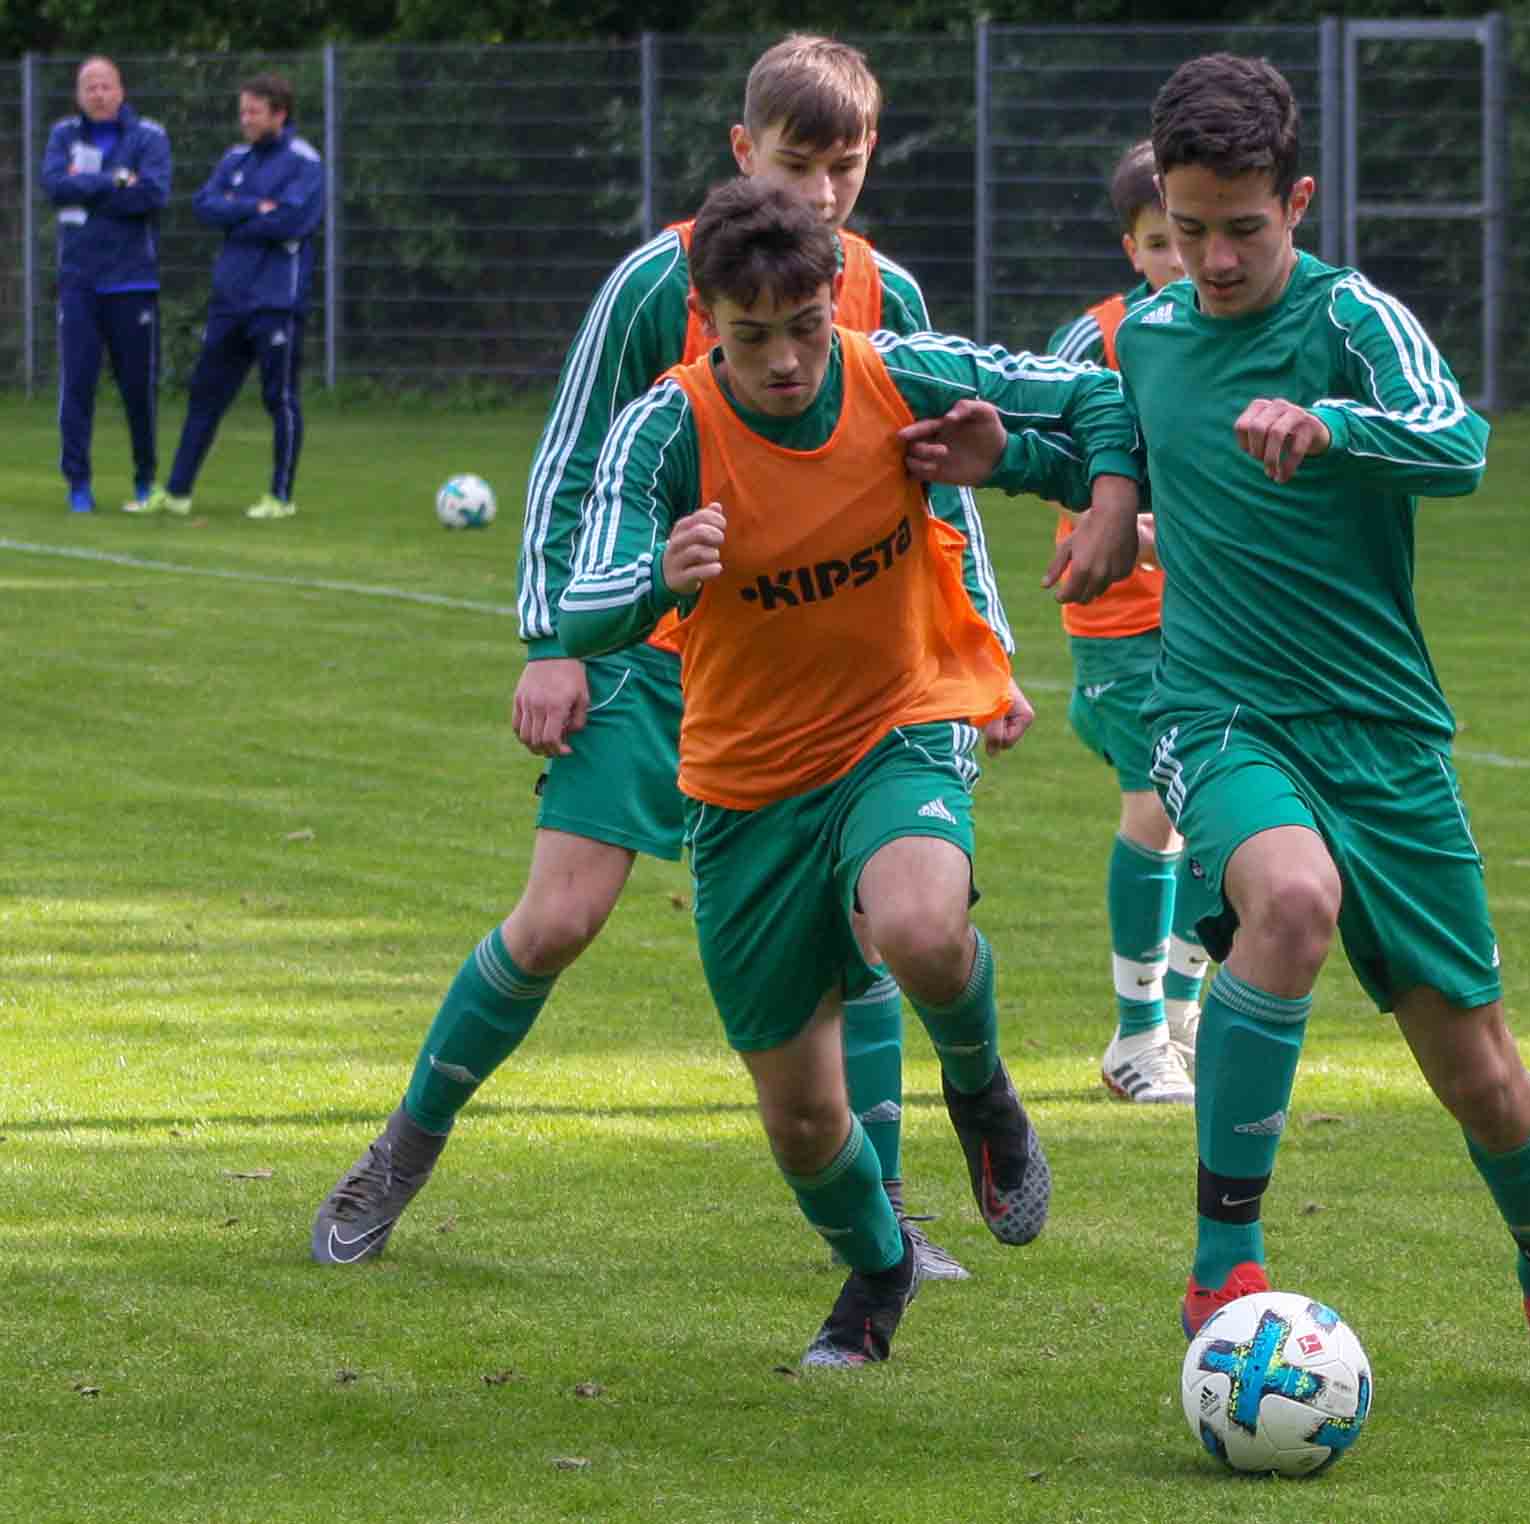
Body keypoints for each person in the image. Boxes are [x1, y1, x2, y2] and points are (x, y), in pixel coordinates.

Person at [309, 35, 1044, 1282]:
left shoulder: (889, 296)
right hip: (650, 651)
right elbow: (573, 460)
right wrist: (555, 645)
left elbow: (940, 493)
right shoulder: (665, 279)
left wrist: (987, 653)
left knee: (869, 920)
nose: (817, 194)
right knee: (557, 919)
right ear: (741, 150)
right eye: (795, 161)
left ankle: (890, 1220)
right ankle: (401, 1151)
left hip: (830, 666)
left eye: (843, 166)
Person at [553, 176, 1141, 1365]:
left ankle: (977, 1090)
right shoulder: (663, 428)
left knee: (921, 928)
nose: (782, 359)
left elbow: (1096, 393)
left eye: (803, 326)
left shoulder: (896, 372)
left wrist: (1093, 492)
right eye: (749, 334)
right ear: (709, 319)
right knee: (802, 1115)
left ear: (837, 299)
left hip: (900, 724)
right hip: (742, 788)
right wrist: (659, 579)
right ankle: (877, 1271)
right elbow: (583, 601)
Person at [1115, 53, 1530, 1400]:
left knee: (1484, 1075)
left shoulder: (1354, 321)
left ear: (1299, 200)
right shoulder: (1147, 334)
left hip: (1384, 740)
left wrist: (1330, 426)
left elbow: (1456, 441)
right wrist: (1105, 487)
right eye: (1186, 228)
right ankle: (1226, 1255)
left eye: (1242, 228)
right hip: (1223, 716)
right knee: (1289, 898)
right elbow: (1098, 416)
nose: (1212, 259)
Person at [1045, 140, 1209, 1106]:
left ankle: (1182, 1014)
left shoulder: (1240, 330)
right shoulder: (1096, 337)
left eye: (1189, 235)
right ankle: (1136, 1034)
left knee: (1220, 821)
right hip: (1120, 620)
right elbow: (1040, 441)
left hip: (1219, 620)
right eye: (1160, 243)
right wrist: (1116, 514)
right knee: (1155, 812)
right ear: (1132, 247)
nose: (1179, 263)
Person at [134, 73, 323, 522]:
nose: (245, 120)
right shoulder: (234, 158)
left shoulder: (304, 161)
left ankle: (281, 497)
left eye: (253, 112)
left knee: (279, 399)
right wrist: (253, 208)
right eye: (242, 111)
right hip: (230, 300)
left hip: (277, 301)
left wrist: (238, 215)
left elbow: (292, 222)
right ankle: (177, 493)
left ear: (279, 113)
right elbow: (204, 205)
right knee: (205, 396)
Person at [39, 56, 170, 515]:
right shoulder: (63, 135)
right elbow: (55, 187)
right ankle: (78, 484)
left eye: (106, 85)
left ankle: (144, 479)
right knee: (77, 385)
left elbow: (151, 195)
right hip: (79, 282)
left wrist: (88, 188)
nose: (98, 93)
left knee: (139, 388)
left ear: (121, 90)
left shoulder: (149, 136)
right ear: (78, 94)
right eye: (89, 86)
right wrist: (115, 181)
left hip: (132, 282)